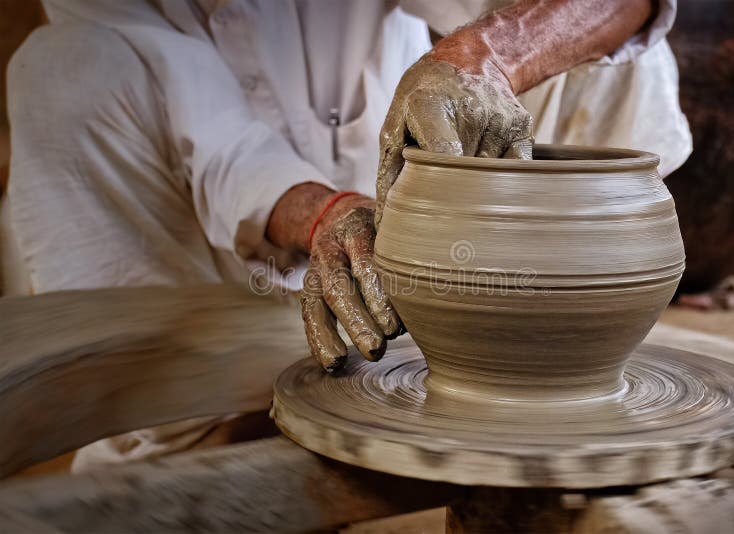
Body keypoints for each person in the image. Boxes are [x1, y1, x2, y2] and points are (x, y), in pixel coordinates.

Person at [4, 0, 690, 469]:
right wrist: (326, 212)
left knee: (602, 38)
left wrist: (480, 58)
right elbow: (216, 142)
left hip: (432, 217)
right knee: (62, 68)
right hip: (214, 263)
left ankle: (564, 360)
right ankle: (175, 434)